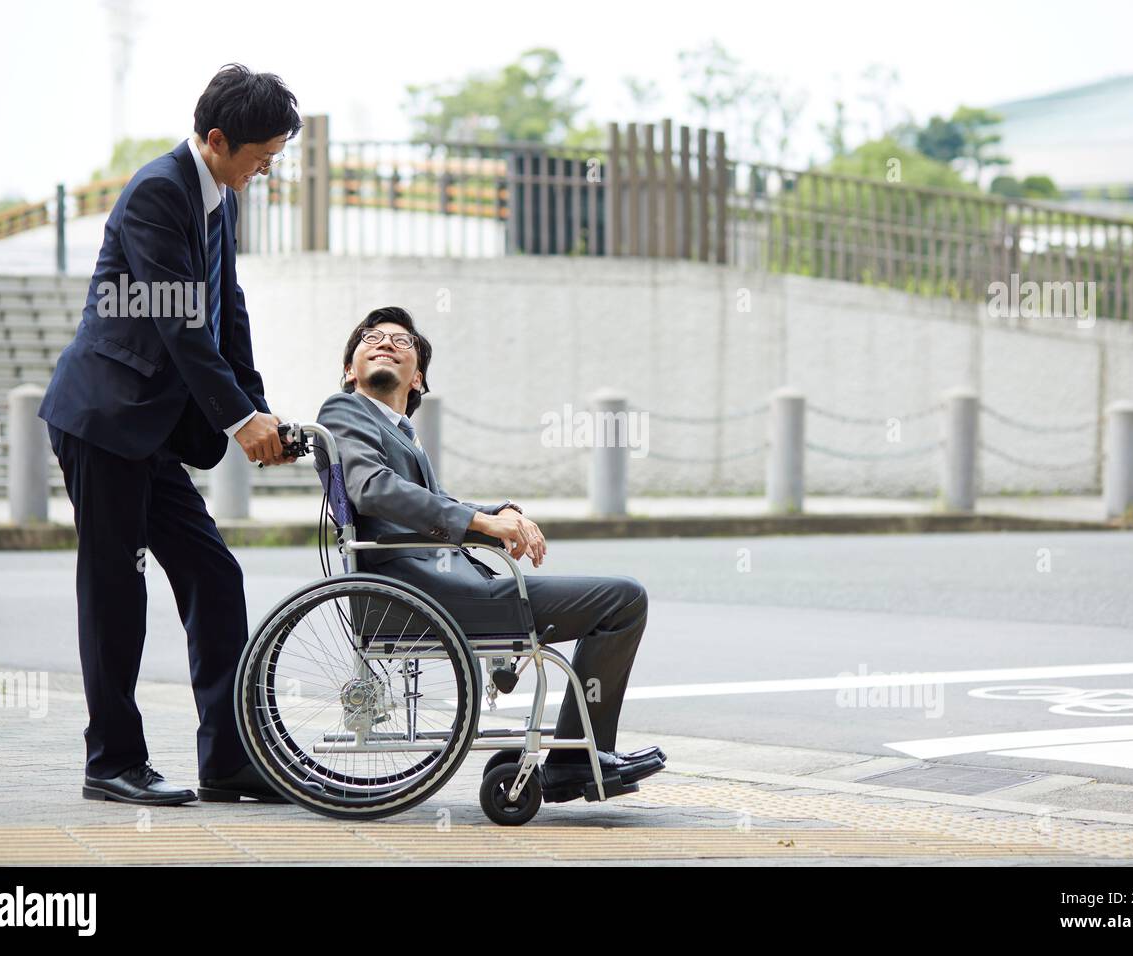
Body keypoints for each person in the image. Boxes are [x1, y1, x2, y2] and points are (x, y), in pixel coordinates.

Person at [40, 64, 304, 806]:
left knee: (214, 575)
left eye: (274, 158)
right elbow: (180, 321)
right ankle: (112, 762)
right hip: (105, 419)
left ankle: (229, 759)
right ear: (217, 139)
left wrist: (259, 407)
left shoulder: (218, 194)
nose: (265, 171)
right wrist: (239, 421)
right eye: (261, 157)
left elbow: (229, 307)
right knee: (116, 588)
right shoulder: (158, 190)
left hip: (152, 432)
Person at [314, 307, 666, 803]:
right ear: (351, 369)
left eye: (402, 341)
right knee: (623, 600)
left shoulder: (398, 431)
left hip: (433, 589)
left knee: (617, 599)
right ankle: (573, 761)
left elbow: (426, 504)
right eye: (371, 337)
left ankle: (574, 758)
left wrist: (496, 513)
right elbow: (374, 490)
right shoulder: (344, 409)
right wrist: (482, 523)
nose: (385, 342)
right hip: (423, 594)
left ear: (418, 378)